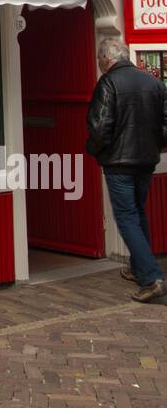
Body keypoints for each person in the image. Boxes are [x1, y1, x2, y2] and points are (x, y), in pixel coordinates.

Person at [86, 36, 167, 301]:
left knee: (127, 217)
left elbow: (99, 126)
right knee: (138, 213)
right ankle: (138, 266)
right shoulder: (153, 82)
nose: (99, 64)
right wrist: (157, 146)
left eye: (99, 59)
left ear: (107, 58)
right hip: (146, 160)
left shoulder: (108, 83)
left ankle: (152, 277)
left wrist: (96, 150)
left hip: (119, 163)